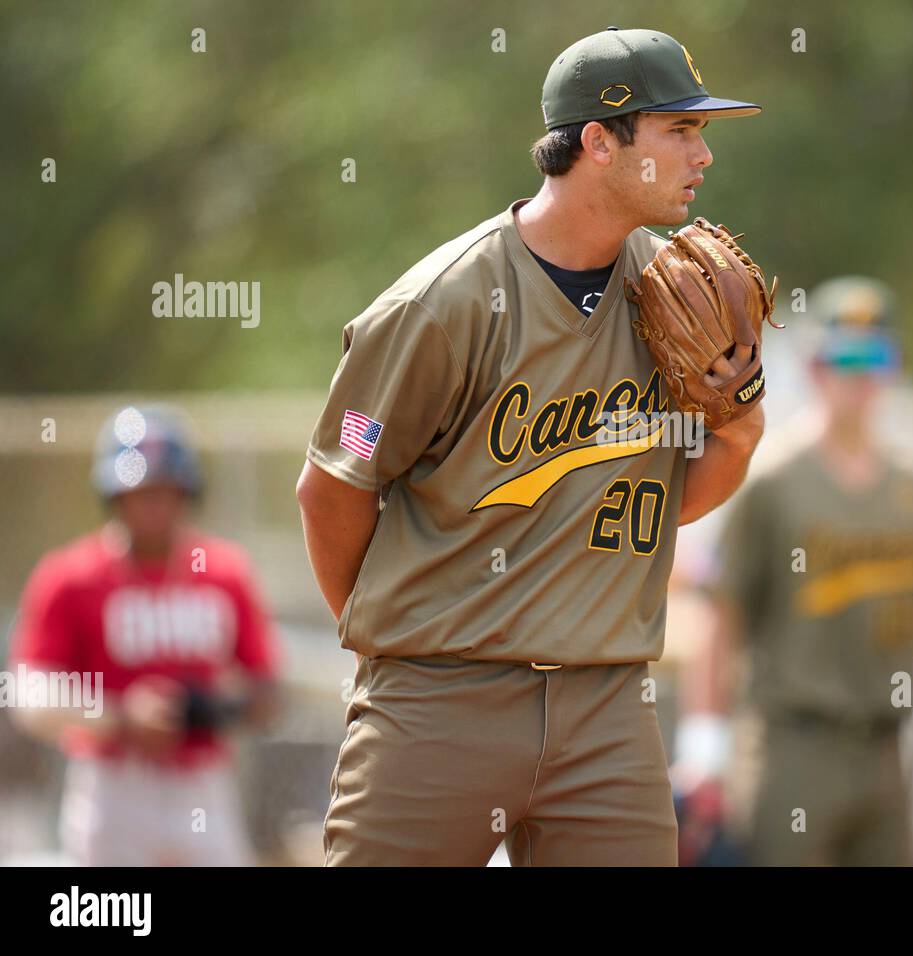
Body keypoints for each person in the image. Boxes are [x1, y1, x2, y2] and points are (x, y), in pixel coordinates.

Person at [296, 27, 767, 866]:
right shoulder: (445, 303)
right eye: (680, 131)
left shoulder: (673, 295)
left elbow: (664, 501)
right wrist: (403, 645)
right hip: (441, 698)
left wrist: (740, 433)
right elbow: (332, 489)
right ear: (598, 140)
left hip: (610, 706)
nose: (703, 156)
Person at [679, 277, 913, 866]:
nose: (858, 374)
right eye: (842, 357)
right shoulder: (772, 479)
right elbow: (720, 615)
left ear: (894, 366)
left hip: (887, 749)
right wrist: (704, 744)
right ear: (815, 367)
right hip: (794, 746)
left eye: (873, 356)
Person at [7, 404, 281, 866]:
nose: (154, 504)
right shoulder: (70, 577)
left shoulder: (224, 572)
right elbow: (29, 695)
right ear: (114, 494)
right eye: (141, 491)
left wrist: (209, 707)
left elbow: (267, 690)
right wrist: (120, 716)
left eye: (165, 490)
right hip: (113, 786)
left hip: (203, 783)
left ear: (186, 492)